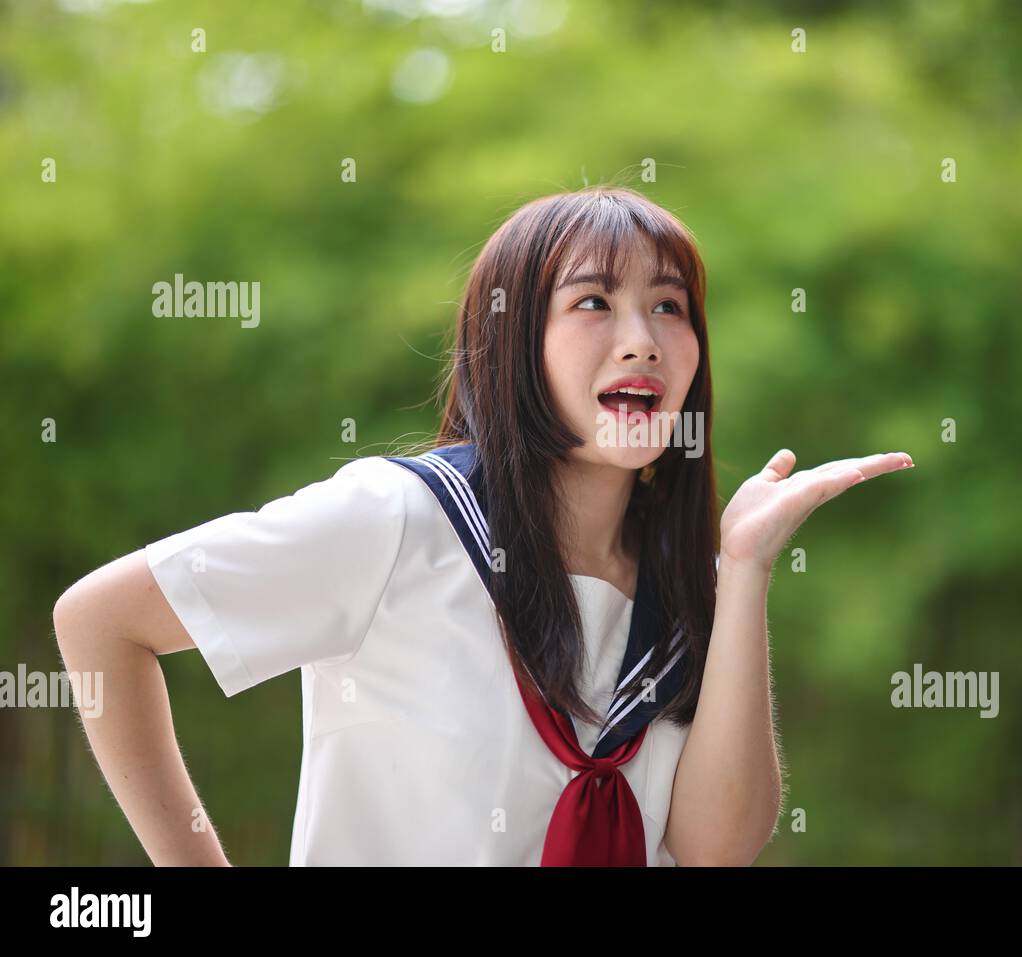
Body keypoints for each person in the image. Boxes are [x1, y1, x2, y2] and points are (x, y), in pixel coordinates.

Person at [52, 185, 914, 866]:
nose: (643, 339)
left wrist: (747, 566)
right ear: (513, 343)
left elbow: (715, 846)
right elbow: (100, 621)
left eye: (670, 306)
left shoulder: (684, 580)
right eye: (592, 303)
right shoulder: (401, 521)